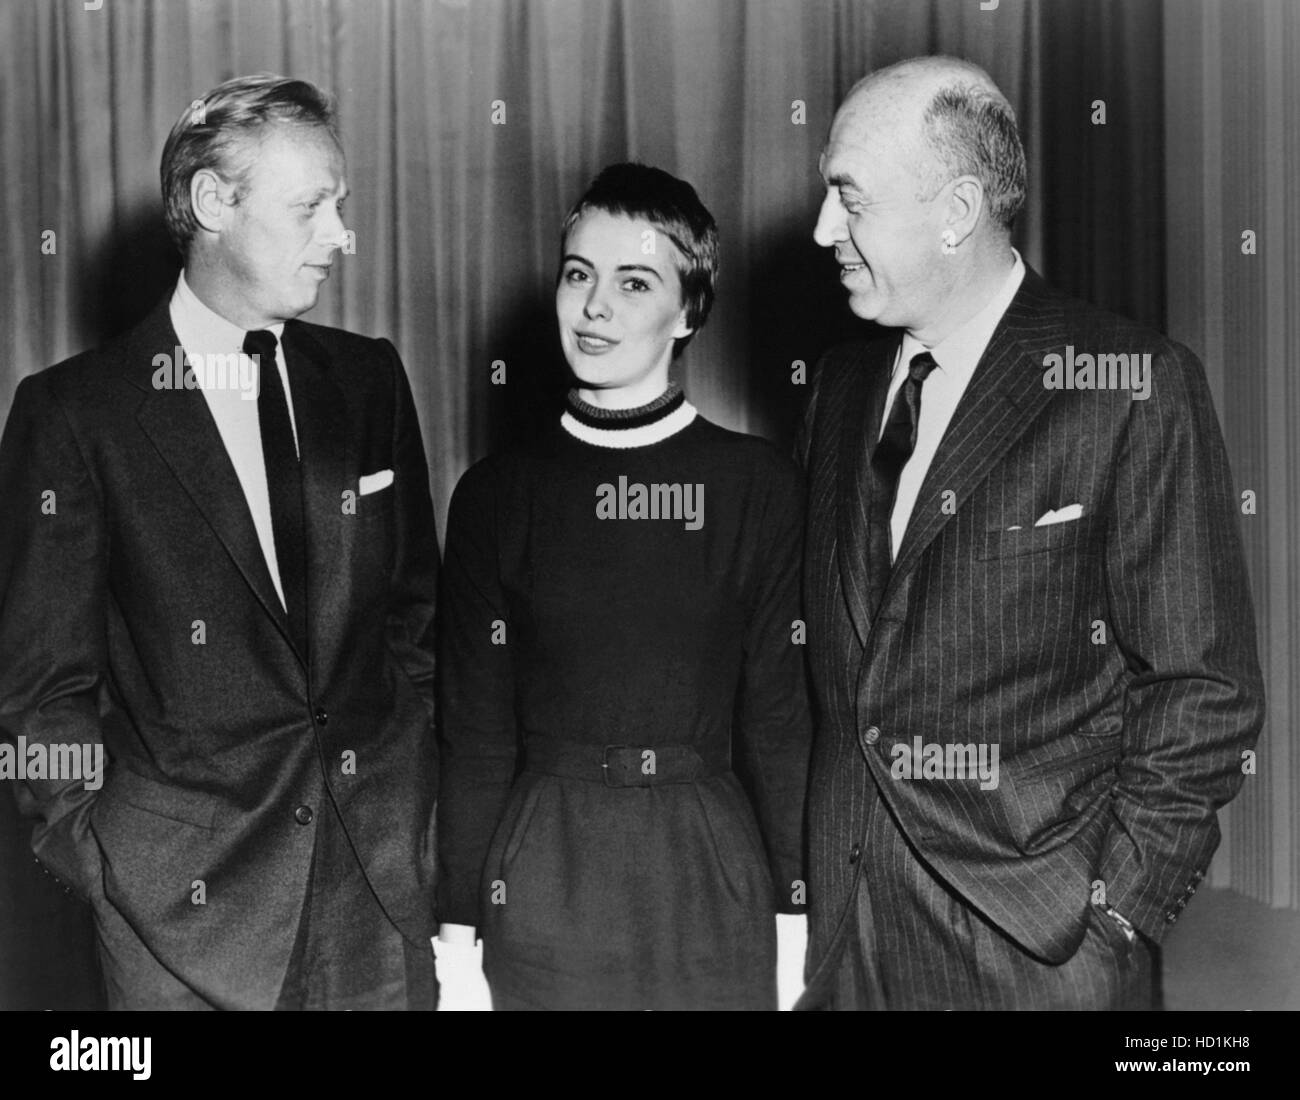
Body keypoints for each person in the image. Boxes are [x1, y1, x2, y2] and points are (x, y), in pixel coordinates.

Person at [795, 56, 1264, 1010]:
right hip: (847, 943)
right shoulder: (838, 390)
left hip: (1034, 955)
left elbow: (1204, 693)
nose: (821, 230)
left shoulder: (1130, 384)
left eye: (849, 198)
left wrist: (1111, 921)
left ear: (956, 210)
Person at [0, 75, 441, 1010]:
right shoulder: (76, 415)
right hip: (178, 926)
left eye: (343, 205)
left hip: (376, 895)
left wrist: (412, 802)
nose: (342, 235)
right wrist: (102, 857)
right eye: (311, 207)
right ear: (213, 203)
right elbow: (40, 693)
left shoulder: (368, 380)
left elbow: (417, 622)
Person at [434, 163, 811, 1010]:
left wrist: (797, 922)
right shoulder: (496, 495)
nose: (594, 306)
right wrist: (456, 940)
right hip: (539, 885)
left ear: (689, 309)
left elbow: (781, 726)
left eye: (633, 282)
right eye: (578, 275)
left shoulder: (757, 486)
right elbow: (475, 738)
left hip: (713, 884)